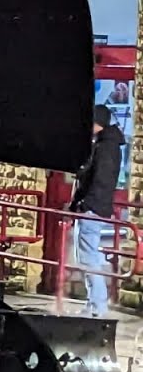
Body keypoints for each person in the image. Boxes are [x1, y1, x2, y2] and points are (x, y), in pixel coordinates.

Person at [70, 104, 126, 317]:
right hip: (90, 208)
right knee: (86, 257)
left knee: (89, 258)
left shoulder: (105, 148)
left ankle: (97, 307)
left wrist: (85, 205)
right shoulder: (104, 144)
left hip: (92, 209)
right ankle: (93, 304)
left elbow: (100, 181)